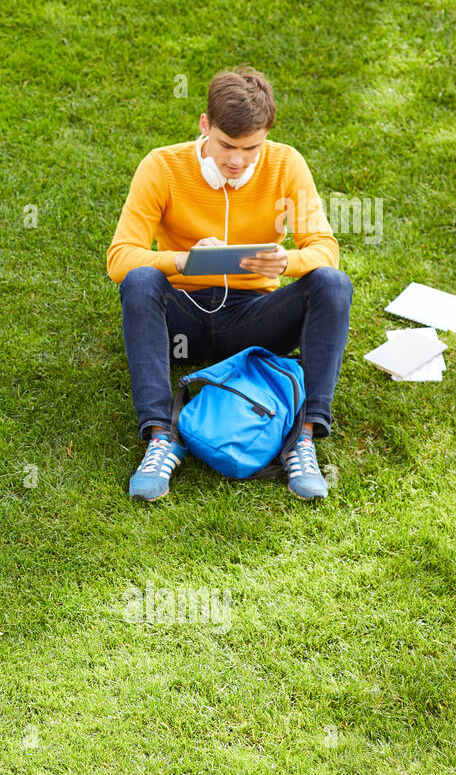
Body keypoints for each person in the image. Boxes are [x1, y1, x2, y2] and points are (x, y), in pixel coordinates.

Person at [107, 65, 352, 501]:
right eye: (226, 145)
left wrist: (286, 261)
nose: (237, 160)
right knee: (141, 279)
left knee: (332, 284)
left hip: (256, 320)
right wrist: (184, 260)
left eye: (251, 148)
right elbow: (119, 258)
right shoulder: (161, 166)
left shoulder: (286, 164)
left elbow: (325, 250)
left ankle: (303, 436)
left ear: (267, 136)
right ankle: (161, 438)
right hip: (183, 320)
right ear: (205, 125)